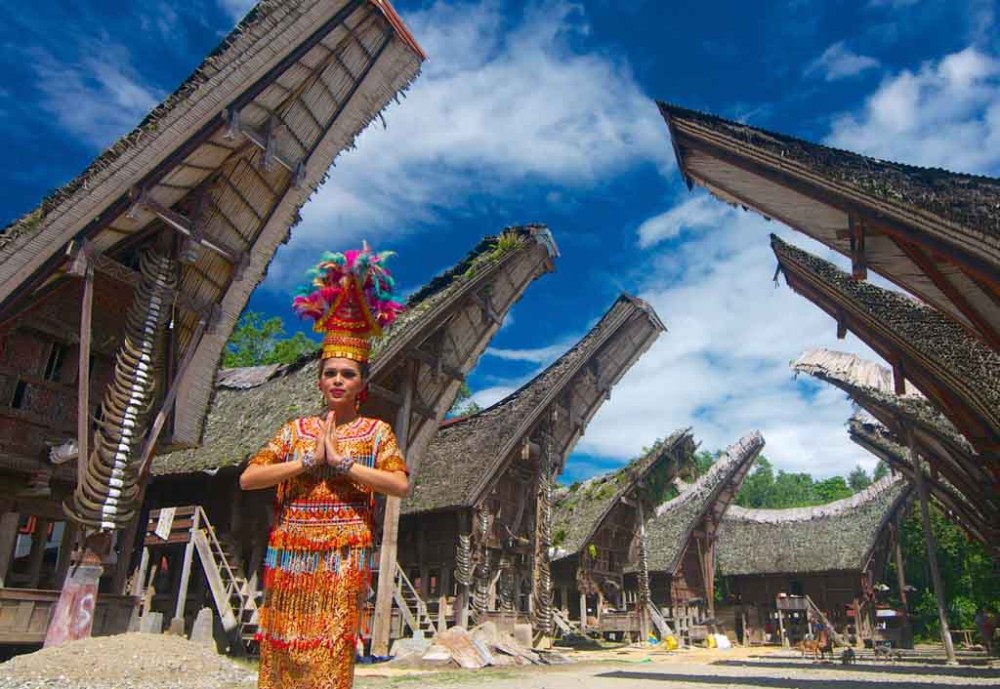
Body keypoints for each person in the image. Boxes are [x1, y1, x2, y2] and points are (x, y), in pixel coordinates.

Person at [240, 245, 409, 689]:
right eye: (330, 372)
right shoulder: (296, 430)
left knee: (332, 644)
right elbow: (249, 477)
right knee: (284, 641)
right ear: (319, 380)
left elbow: (398, 485)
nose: (337, 380)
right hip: (291, 550)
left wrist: (343, 463)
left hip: (342, 553)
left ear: (362, 385)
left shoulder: (376, 433)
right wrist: (308, 460)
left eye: (347, 374)